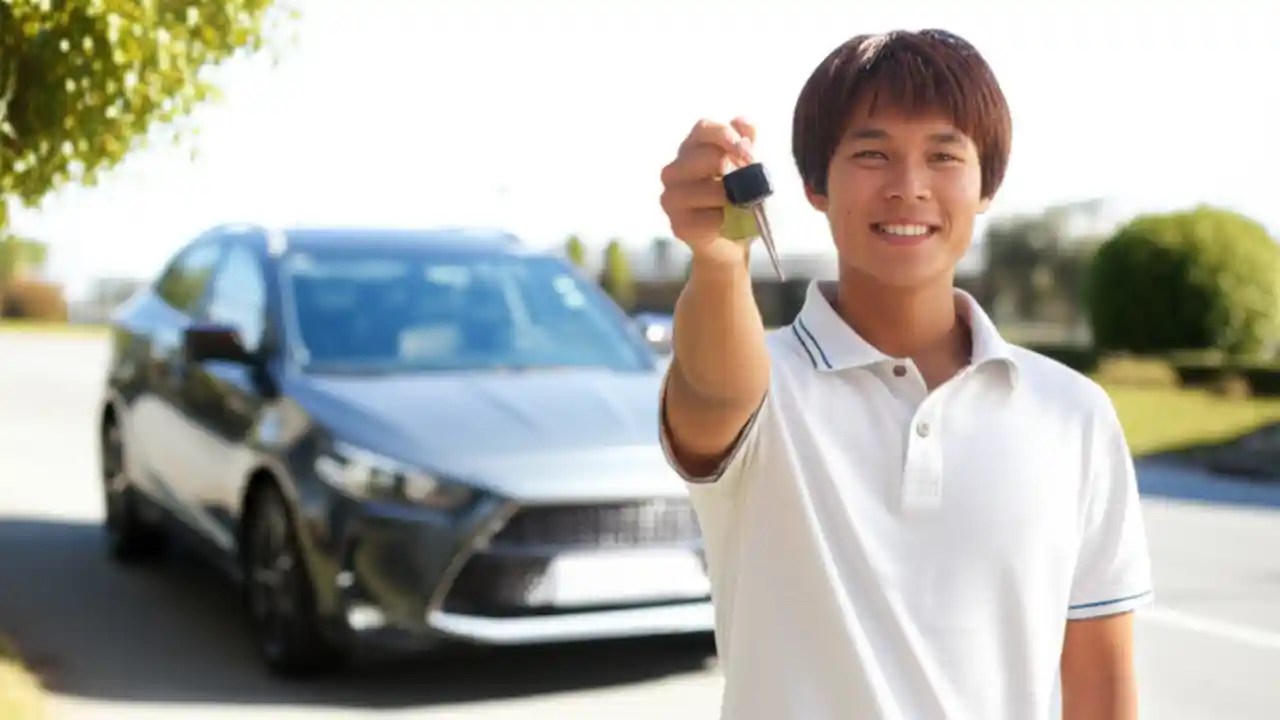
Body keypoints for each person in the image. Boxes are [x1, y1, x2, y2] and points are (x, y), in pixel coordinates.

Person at [657, 28, 1153, 720]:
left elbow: (1100, 689)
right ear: (813, 184)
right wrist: (718, 259)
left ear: (987, 185)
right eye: (871, 154)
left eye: (944, 155)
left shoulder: (1074, 414)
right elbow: (713, 390)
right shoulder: (763, 383)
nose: (908, 187)